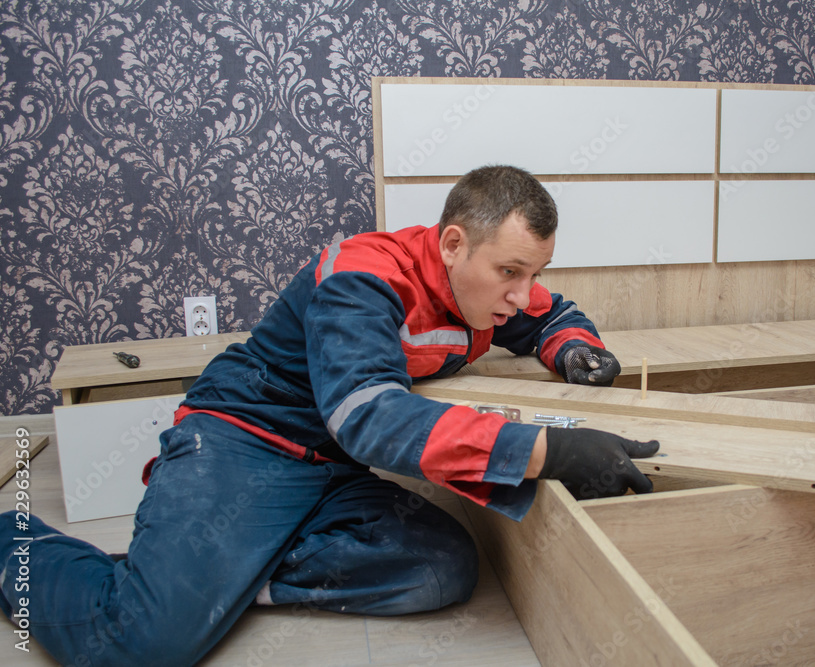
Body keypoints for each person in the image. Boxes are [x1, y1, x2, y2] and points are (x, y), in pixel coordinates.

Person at [0, 165, 658, 666]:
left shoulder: (492, 288)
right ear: (453, 243)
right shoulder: (363, 278)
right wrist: (549, 451)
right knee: (138, 643)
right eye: (511, 271)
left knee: (444, 568)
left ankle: (218, 570)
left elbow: (553, 314)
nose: (522, 294)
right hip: (243, 440)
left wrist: (577, 350)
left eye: (534, 272)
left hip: (328, 465)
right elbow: (367, 418)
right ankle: (16, 542)